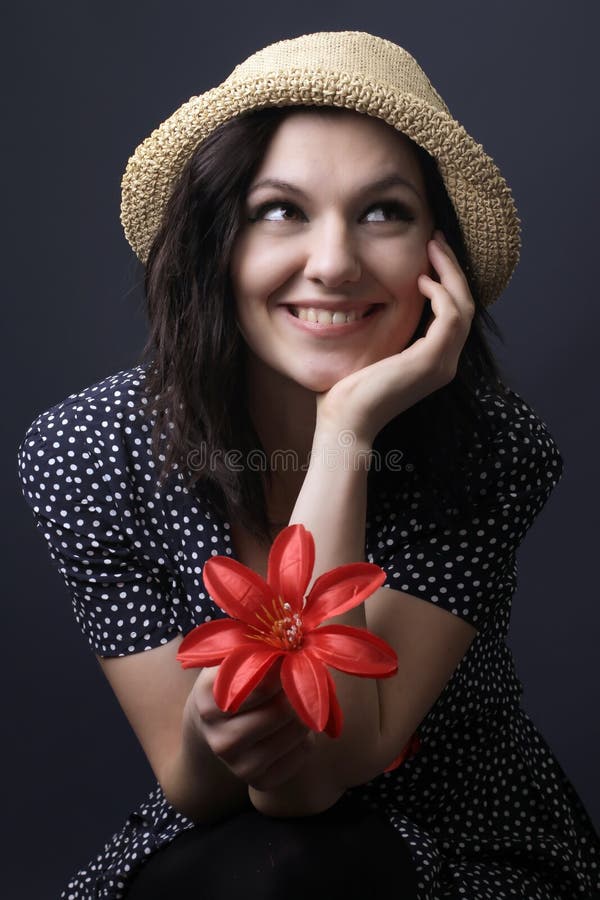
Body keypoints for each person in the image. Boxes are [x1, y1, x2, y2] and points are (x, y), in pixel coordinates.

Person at [16, 30, 600, 900]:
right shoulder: (85, 451)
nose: (333, 265)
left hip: (462, 833)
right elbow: (192, 786)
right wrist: (213, 732)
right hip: (214, 845)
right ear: (218, 243)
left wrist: (345, 430)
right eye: (281, 210)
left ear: (437, 257)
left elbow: (330, 765)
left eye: (383, 212)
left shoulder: (492, 450)